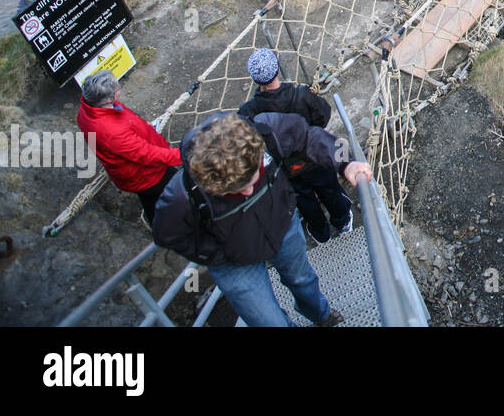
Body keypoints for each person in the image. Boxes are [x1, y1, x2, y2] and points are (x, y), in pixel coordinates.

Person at [152, 111, 373, 327]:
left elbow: (308, 137)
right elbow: (166, 234)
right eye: (236, 190)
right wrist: (221, 253)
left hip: (281, 225)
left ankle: (322, 316)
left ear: (259, 153)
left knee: (303, 280)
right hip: (233, 261)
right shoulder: (181, 196)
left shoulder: (265, 131)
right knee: (267, 321)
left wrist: (346, 163)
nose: (248, 191)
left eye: (253, 180)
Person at [239, 47, 352, 243]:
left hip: (286, 166)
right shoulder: (301, 94)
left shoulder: (249, 111)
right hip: (315, 155)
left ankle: (320, 233)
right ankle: (342, 221)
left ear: (256, 79)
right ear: (276, 70)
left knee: (303, 198)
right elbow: (323, 114)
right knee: (329, 188)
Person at [76, 70, 181, 225]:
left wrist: (144, 130)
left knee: (150, 199)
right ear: (107, 100)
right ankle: (168, 225)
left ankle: (158, 222)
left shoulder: (87, 111)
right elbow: (147, 154)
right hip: (147, 175)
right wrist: (183, 155)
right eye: (116, 89)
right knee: (172, 188)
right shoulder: (112, 132)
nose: (119, 88)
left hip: (130, 173)